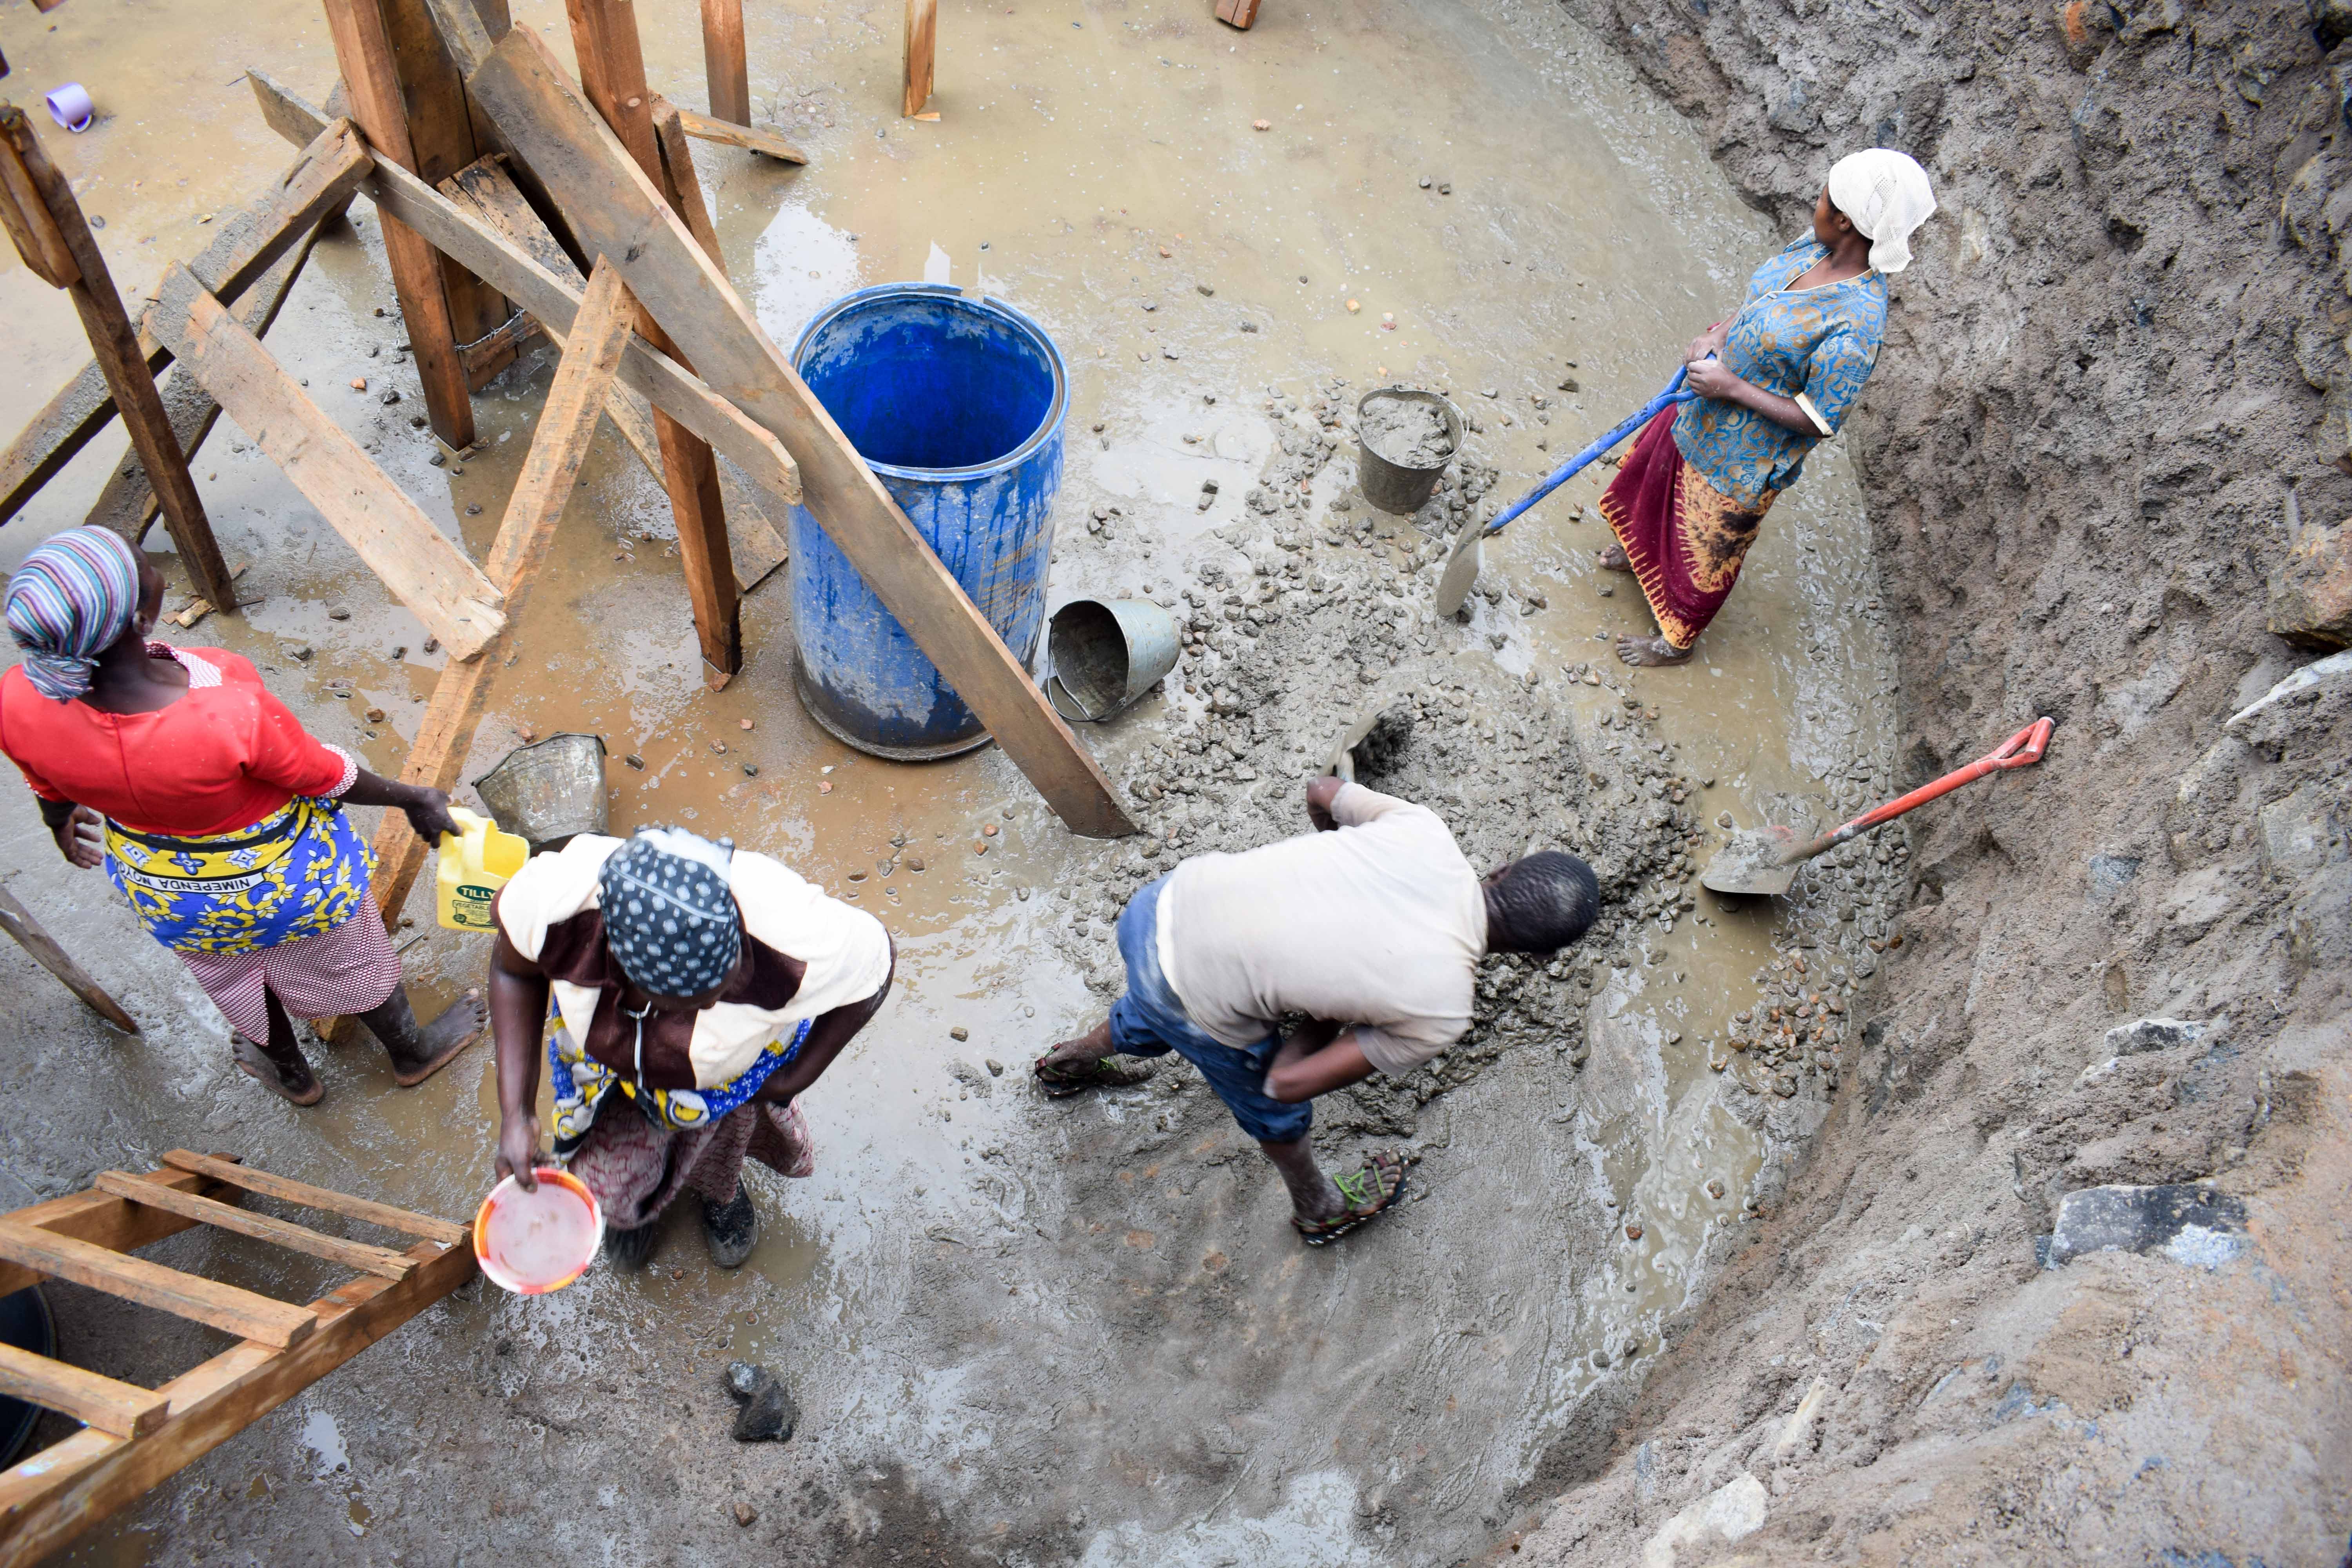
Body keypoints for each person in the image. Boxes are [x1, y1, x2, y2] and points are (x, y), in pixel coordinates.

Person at [0, 526, 483, 1103]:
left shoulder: (18, 699)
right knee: (351, 960)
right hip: (293, 888)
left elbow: (44, 777)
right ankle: (411, 1054)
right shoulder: (227, 709)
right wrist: (413, 797)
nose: (155, 566)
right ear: (141, 620)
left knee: (237, 978)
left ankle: (293, 1076)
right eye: (144, 566)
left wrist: (60, 821)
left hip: (172, 895)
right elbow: (325, 775)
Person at [1036, 775, 1599, 1245]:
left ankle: (1074, 1059)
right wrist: (1330, 1014)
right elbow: (1286, 1083)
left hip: (1159, 908)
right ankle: (1318, 1207)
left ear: (1501, 869)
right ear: (1539, 956)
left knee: (1170, 995)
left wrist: (1337, 851)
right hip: (1191, 995)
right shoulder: (1443, 1013)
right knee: (1271, 1108)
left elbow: (1320, 788)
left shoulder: (1422, 830)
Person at [486, 826, 894, 1271]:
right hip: (603, 1064)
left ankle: (721, 1192)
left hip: (724, 1084)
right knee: (606, 1167)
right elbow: (513, 971)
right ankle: (632, 1211)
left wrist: (798, 1076)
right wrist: (517, 1112)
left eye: (719, 992)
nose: (707, 1010)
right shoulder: (560, 899)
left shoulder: (787, 926)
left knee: (720, 1146)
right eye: (684, 1006)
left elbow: (876, 964)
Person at [1600, 147, 1936, 667]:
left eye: (1824, 197)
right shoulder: (1814, 248)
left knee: (1706, 547)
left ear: (1846, 220)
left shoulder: (1856, 324)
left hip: (1741, 458)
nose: (1815, 202)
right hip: (1701, 404)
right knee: (1656, 483)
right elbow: (1763, 299)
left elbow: (1822, 419)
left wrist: (1731, 386)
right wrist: (1719, 333)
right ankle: (1639, 556)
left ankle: (1674, 642)